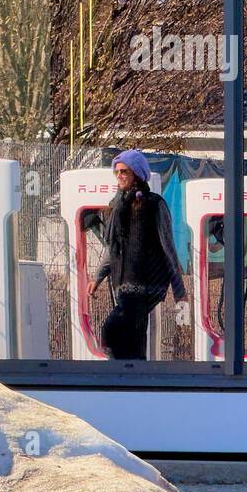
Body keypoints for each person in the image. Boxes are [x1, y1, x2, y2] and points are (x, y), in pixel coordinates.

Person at [88, 149, 188, 360]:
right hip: (123, 284)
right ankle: (133, 378)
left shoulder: (154, 204)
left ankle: (125, 376)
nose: (120, 176)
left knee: (111, 330)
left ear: (137, 173)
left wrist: (179, 290)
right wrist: (98, 277)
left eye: (124, 171)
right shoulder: (118, 206)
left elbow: (168, 246)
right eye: (117, 172)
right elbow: (114, 248)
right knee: (132, 339)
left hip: (145, 285)